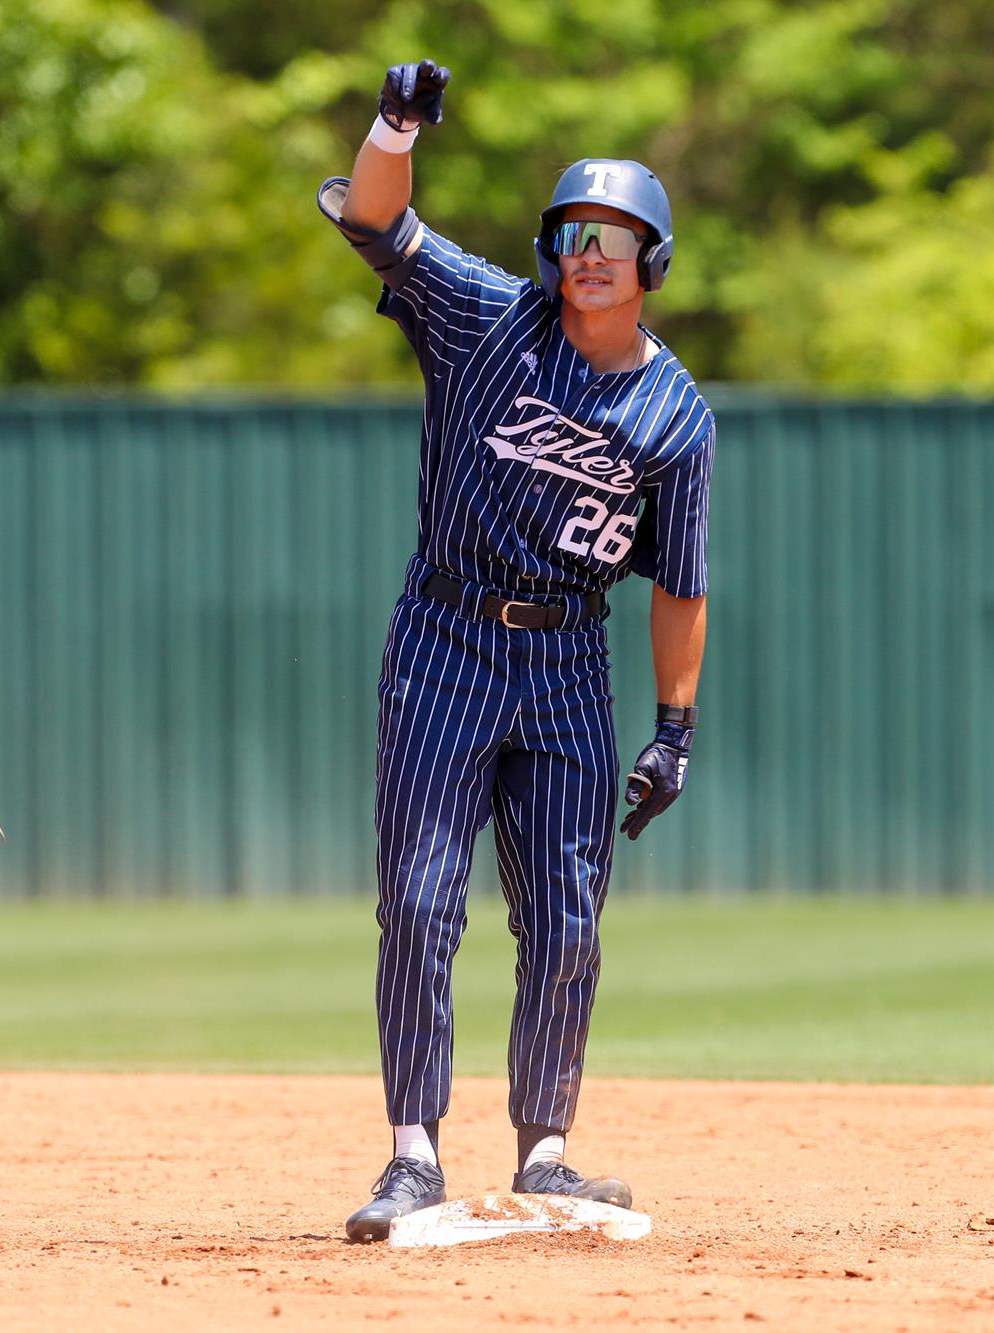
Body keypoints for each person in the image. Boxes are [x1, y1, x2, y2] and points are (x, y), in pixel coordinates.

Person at [318, 61, 714, 1241]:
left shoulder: (675, 415)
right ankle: (409, 1154)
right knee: (421, 901)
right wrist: (396, 127)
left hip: (566, 663)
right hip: (445, 636)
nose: (588, 251)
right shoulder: (488, 315)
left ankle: (546, 1147)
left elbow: (680, 584)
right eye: (572, 231)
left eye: (615, 235)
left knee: (565, 913)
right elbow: (378, 220)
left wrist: (675, 727)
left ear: (652, 261)